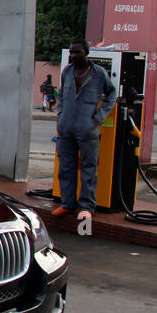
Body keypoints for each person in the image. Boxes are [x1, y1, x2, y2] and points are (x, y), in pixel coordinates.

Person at [54, 39, 118, 223]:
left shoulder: (98, 74)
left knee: (89, 168)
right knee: (66, 167)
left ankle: (86, 206)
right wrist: (60, 114)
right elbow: (62, 96)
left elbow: (112, 95)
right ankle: (67, 203)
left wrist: (99, 117)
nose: (73, 56)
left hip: (88, 129)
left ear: (86, 53)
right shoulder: (67, 71)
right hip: (66, 128)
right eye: (72, 53)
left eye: (78, 53)